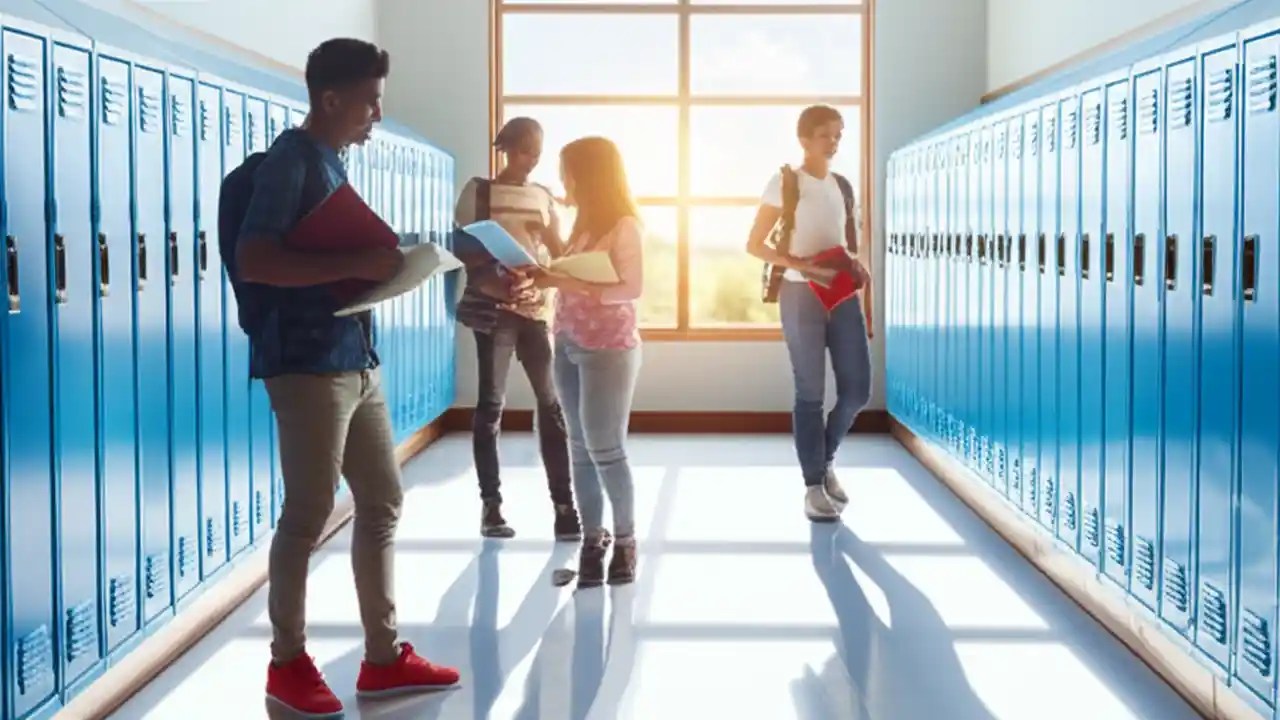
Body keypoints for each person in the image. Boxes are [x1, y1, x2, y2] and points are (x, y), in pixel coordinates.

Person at [228, 38, 460, 717]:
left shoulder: (330, 162)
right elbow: (256, 259)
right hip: (306, 364)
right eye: (370, 102)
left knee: (382, 499)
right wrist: (355, 262)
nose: (377, 115)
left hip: (355, 357)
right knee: (306, 514)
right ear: (330, 99)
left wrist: (384, 264)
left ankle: (383, 658)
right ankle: (287, 664)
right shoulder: (292, 162)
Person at [452, 117, 582, 541]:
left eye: (537, 154)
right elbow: (461, 245)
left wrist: (550, 251)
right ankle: (491, 508)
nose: (531, 161)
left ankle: (564, 507)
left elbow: (559, 253)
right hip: (493, 311)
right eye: (525, 151)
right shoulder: (480, 191)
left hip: (534, 310)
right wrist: (491, 272)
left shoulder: (543, 196)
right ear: (506, 148)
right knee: (491, 405)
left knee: (551, 404)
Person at [745, 105, 873, 523]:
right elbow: (755, 244)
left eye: (838, 135)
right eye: (825, 135)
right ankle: (814, 486)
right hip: (800, 293)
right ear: (804, 139)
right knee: (811, 392)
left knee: (857, 391)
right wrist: (805, 267)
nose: (833, 142)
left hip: (841, 292)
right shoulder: (785, 183)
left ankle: (825, 459)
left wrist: (856, 266)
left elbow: (845, 240)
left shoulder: (841, 185)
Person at [530, 136, 644, 588]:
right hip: (567, 343)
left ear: (588, 175)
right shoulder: (581, 228)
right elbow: (569, 278)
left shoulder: (625, 226)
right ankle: (593, 540)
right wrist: (546, 274)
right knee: (578, 448)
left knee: (606, 449)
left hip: (609, 349)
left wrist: (566, 281)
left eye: (567, 172)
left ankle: (626, 541)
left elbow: (630, 288)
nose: (564, 182)